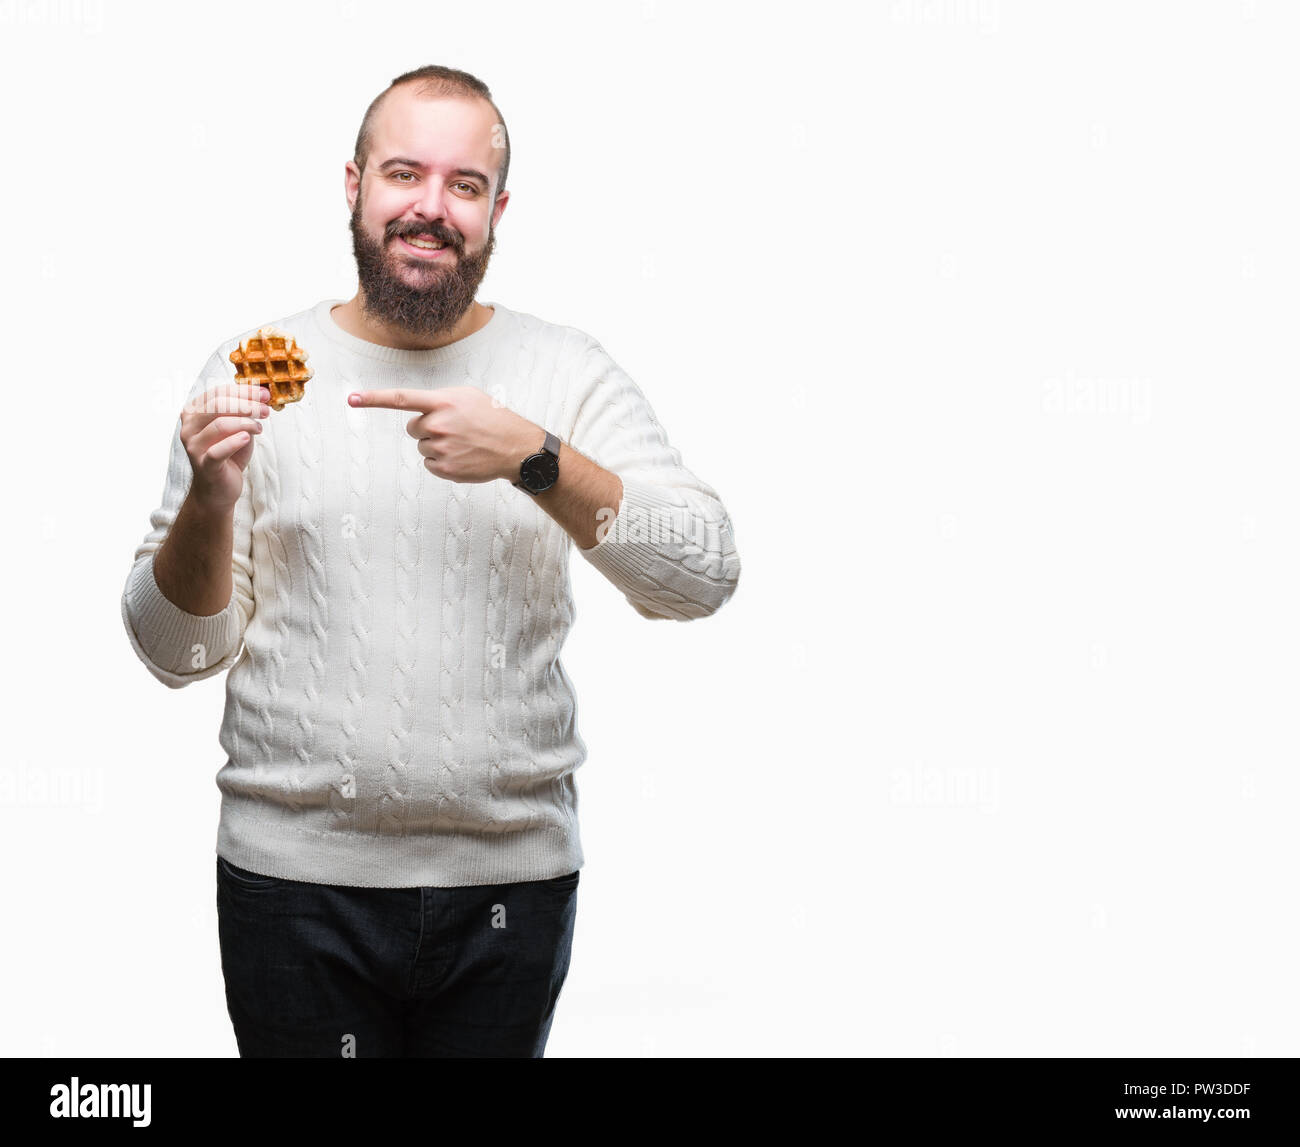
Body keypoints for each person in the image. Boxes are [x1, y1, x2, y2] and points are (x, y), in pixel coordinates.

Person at [120, 64, 741, 1058]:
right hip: (293, 886)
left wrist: (536, 460)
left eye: (462, 184)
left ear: (497, 211)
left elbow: (702, 575)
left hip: (509, 886)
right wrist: (211, 494)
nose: (430, 206)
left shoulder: (561, 372)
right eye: (404, 173)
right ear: (355, 184)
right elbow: (175, 655)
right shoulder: (257, 369)